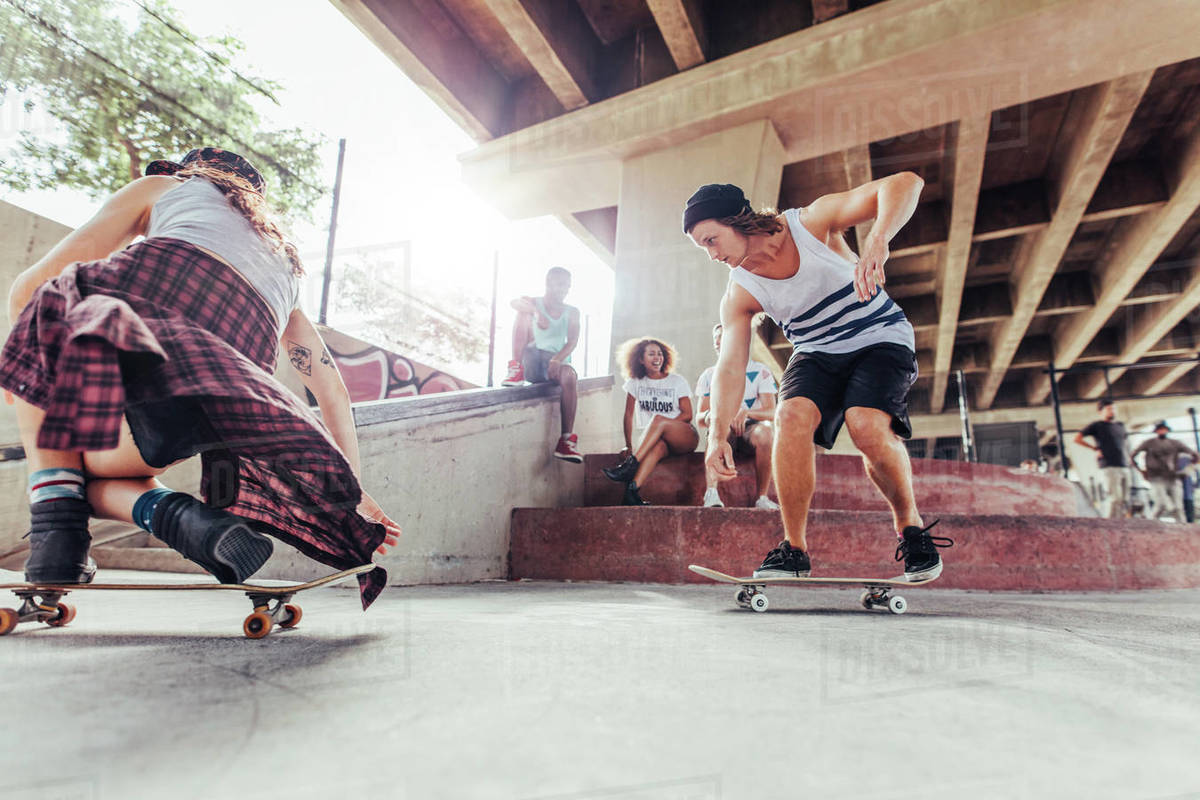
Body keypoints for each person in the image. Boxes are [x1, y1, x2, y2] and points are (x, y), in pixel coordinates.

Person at [1, 147, 400, 607]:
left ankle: (55, 542)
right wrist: (349, 491)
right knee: (75, 479)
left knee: (43, 319)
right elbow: (331, 386)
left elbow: (30, 289)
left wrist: (26, 368)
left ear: (189, 172)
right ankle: (182, 519)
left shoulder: (163, 188)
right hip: (197, 422)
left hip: (138, 374)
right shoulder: (286, 272)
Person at [685, 178, 952, 581]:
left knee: (865, 425)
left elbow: (905, 184)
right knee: (789, 417)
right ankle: (794, 550)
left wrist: (879, 239)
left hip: (879, 336)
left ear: (735, 220)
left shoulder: (812, 222)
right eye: (703, 246)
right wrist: (717, 436)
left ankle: (911, 529)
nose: (711, 254)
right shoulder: (740, 292)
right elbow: (730, 366)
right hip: (816, 351)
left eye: (711, 240)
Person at [602, 337, 699, 506]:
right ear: (640, 359)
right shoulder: (635, 383)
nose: (657, 358)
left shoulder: (677, 381)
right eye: (651, 354)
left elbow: (688, 414)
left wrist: (664, 426)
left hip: (684, 436)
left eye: (660, 354)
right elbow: (628, 416)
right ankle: (631, 492)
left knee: (658, 419)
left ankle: (630, 466)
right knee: (657, 447)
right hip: (659, 440)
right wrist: (628, 445)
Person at [501, 267, 583, 463]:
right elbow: (514, 302)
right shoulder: (533, 302)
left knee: (570, 375)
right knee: (523, 314)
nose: (563, 289)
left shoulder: (572, 312)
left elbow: (572, 341)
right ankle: (515, 369)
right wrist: (537, 313)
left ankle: (565, 442)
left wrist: (557, 359)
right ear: (548, 282)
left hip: (553, 364)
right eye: (559, 283)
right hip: (531, 359)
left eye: (566, 285)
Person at [695, 323, 779, 509]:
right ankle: (711, 494)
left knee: (766, 431)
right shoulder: (709, 375)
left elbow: (773, 412)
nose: (717, 341)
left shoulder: (761, 371)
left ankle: (762, 498)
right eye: (715, 338)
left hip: (751, 431)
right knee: (715, 430)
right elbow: (700, 419)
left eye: (722, 336)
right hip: (724, 431)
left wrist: (746, 412)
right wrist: (717, 416)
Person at [1131, 421, 1198, 522]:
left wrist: (1188, 470)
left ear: (1167, 430)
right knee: (1162, 504)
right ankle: (1150, 525)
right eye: (1159, 429)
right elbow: (1132, 456)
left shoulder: (1175, 443)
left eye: (1163, 429)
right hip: (1156, 477)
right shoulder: (1149, 443)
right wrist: (1142, 471)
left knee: (1178, 507)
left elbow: (1195, 455)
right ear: (1156, 431)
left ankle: (1183, 529)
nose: (1162, 431)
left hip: (1173, 477)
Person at [1075, 400, 1132, 519]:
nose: (1113, 411)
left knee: (1125, 499)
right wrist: (1094, 449)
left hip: (1124, 465)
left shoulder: (1120, 426)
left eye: (1114, 409)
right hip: (1109, 466)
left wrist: (1129, 459)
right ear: (1101, 411)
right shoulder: (1097, 426)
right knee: (1115, 498)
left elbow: (1125, 444)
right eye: (1109, 409)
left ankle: (1122, 524)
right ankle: (1110, 524)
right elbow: (1077, 438)